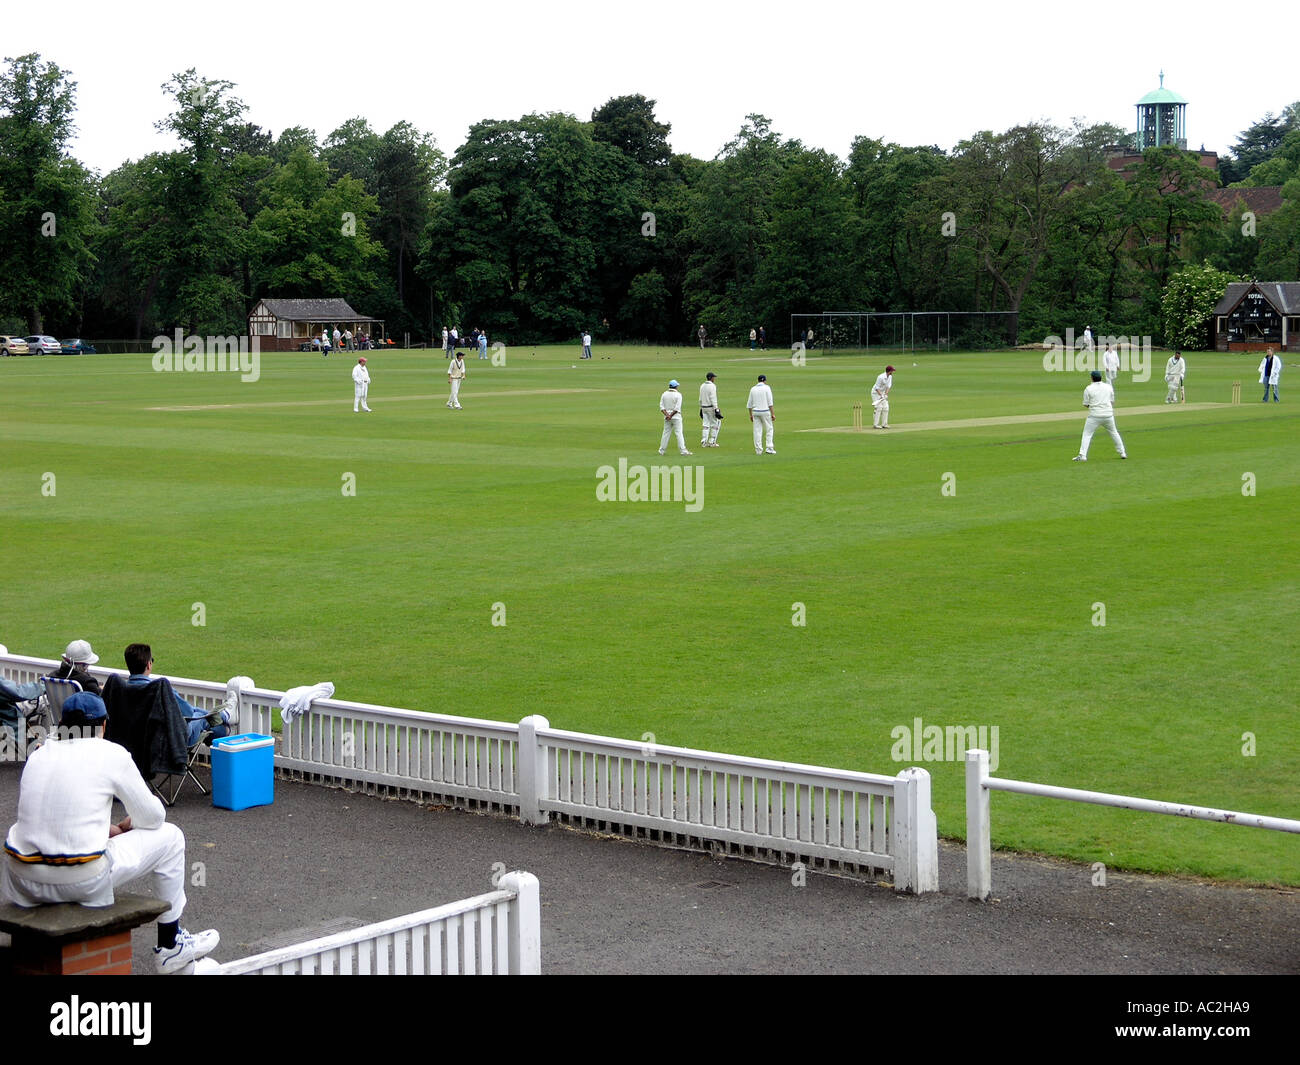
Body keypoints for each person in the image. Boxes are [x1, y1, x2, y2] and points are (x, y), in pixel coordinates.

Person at [1, 691, 221, 974]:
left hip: (21, 878)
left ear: (63, 725)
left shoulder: (40, 754)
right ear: (104, 725)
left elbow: (53, 817)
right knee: (172, 837)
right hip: (80, 879)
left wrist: (104, 830)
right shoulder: (111, 753)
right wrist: (129, 825)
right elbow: (155, 817)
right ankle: (170, 946)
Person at [124, 644, 234, 748]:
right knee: (201, 717)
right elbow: (188, 713)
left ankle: (223, 717)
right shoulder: (160, 688)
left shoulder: (121, 690)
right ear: (149, 664)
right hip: (171, 742)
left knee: (200, 717)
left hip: (136, 742)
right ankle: (224, 717)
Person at [1073, 370, 1127, 462]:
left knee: (1087, 434)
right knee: (1114, 432)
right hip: (1108, 415)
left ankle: (1083, 455)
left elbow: (1086, 404)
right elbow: (1112, 401)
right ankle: (1123, 452)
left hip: (1094, 416)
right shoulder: (1108, 387)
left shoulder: (1088, 388)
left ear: (1092, 378)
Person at [659, 380, 692, 456]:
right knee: (679, 433)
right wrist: (670, 415)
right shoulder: (678, 395)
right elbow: (677, 408)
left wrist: (667, 415)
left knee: (665, 433)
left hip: (667, 417)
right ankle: (683, 450)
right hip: (676, 417)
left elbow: (661, 407)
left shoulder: (664, 394)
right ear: (676, 386)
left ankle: (661, 450)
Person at [747, 374, 775, 455]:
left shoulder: (753, 389)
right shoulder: (767, 388)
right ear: (765, 381)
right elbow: (770, 402)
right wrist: (773, 413)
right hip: (765, 411)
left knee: (757, 431)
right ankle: (769, 448)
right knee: (769, 429)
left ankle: (758, 450)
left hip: (755, 412)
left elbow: (749, 404)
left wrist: (750, 415)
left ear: (758, 380)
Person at [699, 372, 721, 448]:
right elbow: (713, 398)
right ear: (711, 378)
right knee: (715, 424)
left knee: (705, 425)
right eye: (713, 377)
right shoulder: (712, 386)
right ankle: (712, 442)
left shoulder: (702, 385)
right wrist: (716, 409)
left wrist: (701, 408)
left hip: (704, 407)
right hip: (710, 407)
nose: (714, 378)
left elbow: (700, 398)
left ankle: (704, 442)